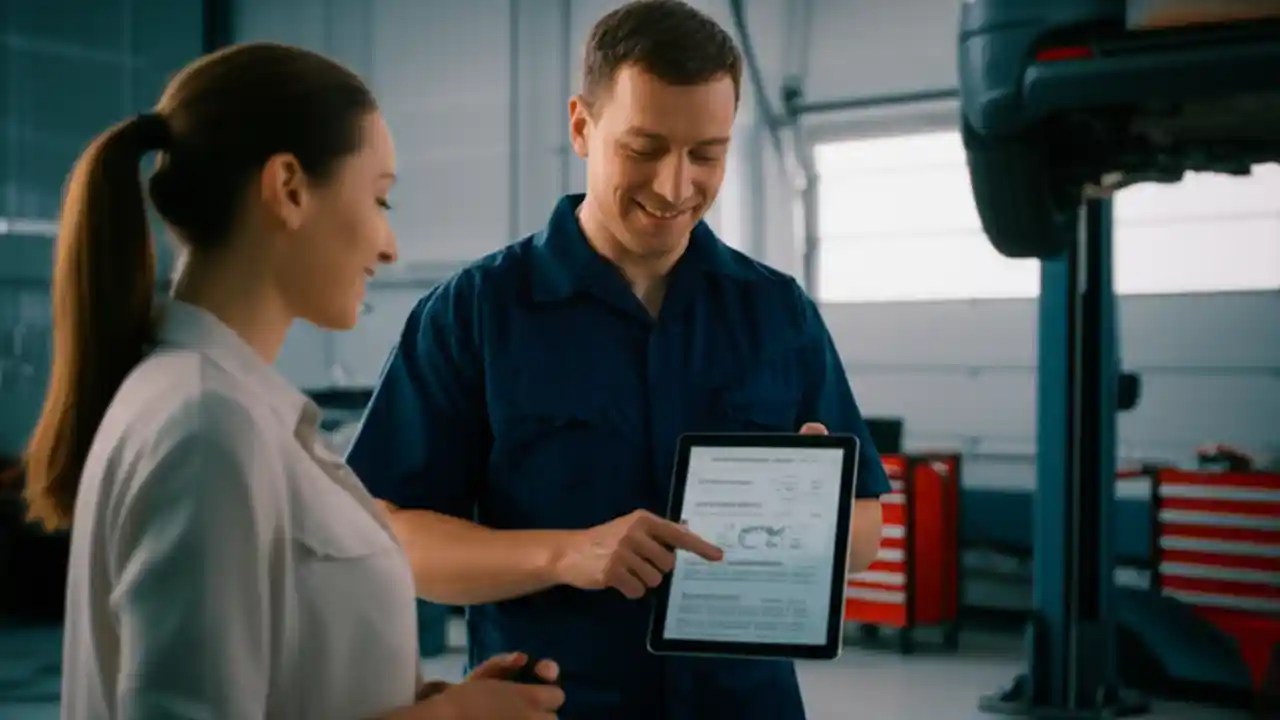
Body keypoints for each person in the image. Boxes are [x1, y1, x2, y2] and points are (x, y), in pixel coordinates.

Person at [348, 1, 890, 718]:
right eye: (644, 148)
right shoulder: (474, 314)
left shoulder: (776, 312)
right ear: (581, 126)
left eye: (707, 154)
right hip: (558, 705)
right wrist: (567, 554)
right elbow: (392, 536)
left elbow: (864, 534)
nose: (675, 186)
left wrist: (808, 509)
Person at [23, 41, 563, 720]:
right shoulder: (203, 428)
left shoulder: (224, 410)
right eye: (380, 199)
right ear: (288, 189)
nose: (390, 245)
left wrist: (428, 700)